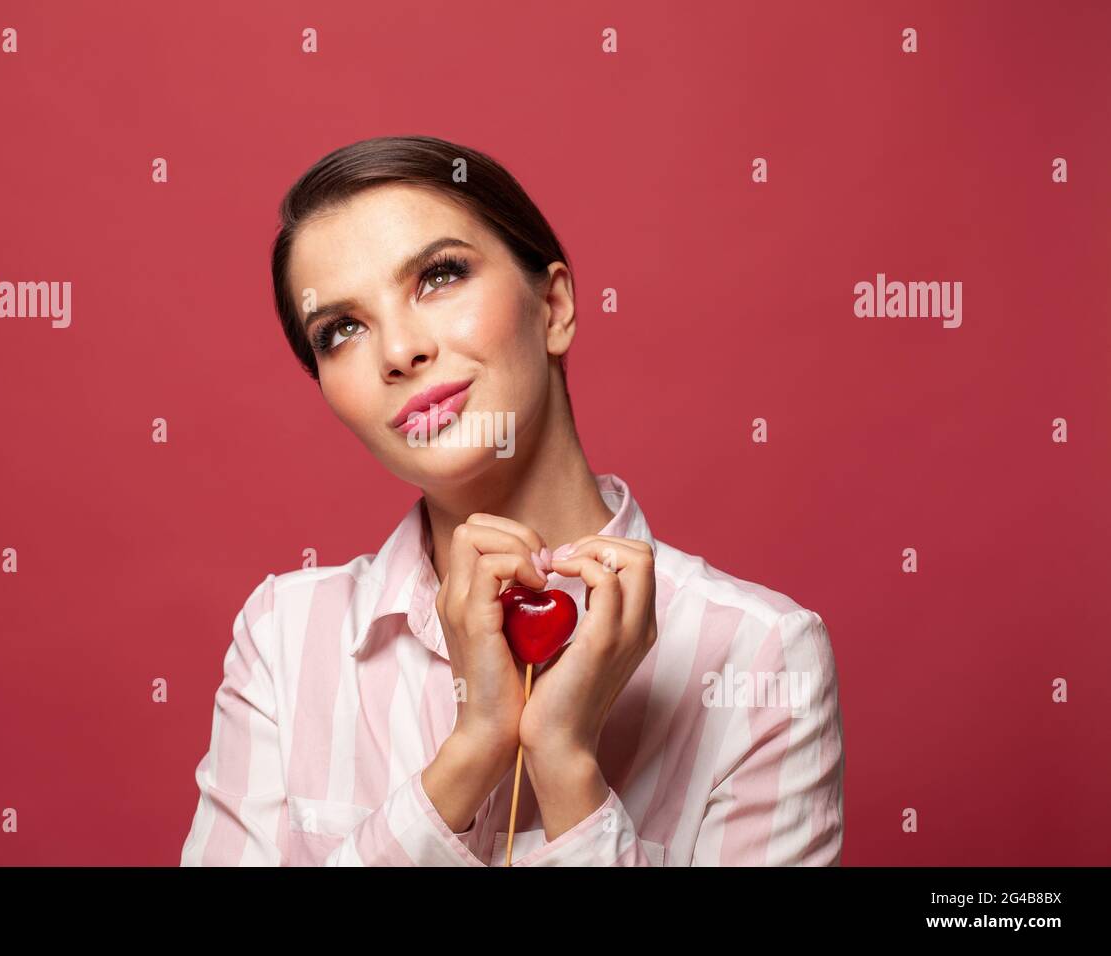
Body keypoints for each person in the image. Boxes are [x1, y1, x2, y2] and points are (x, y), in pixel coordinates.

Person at [179, 135, 844, 866]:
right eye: (341, 329)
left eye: (438, 276)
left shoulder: (760, 654)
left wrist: (564, 765)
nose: (398, 351)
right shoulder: (285, 639)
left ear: (554, 306)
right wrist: (470, 754)